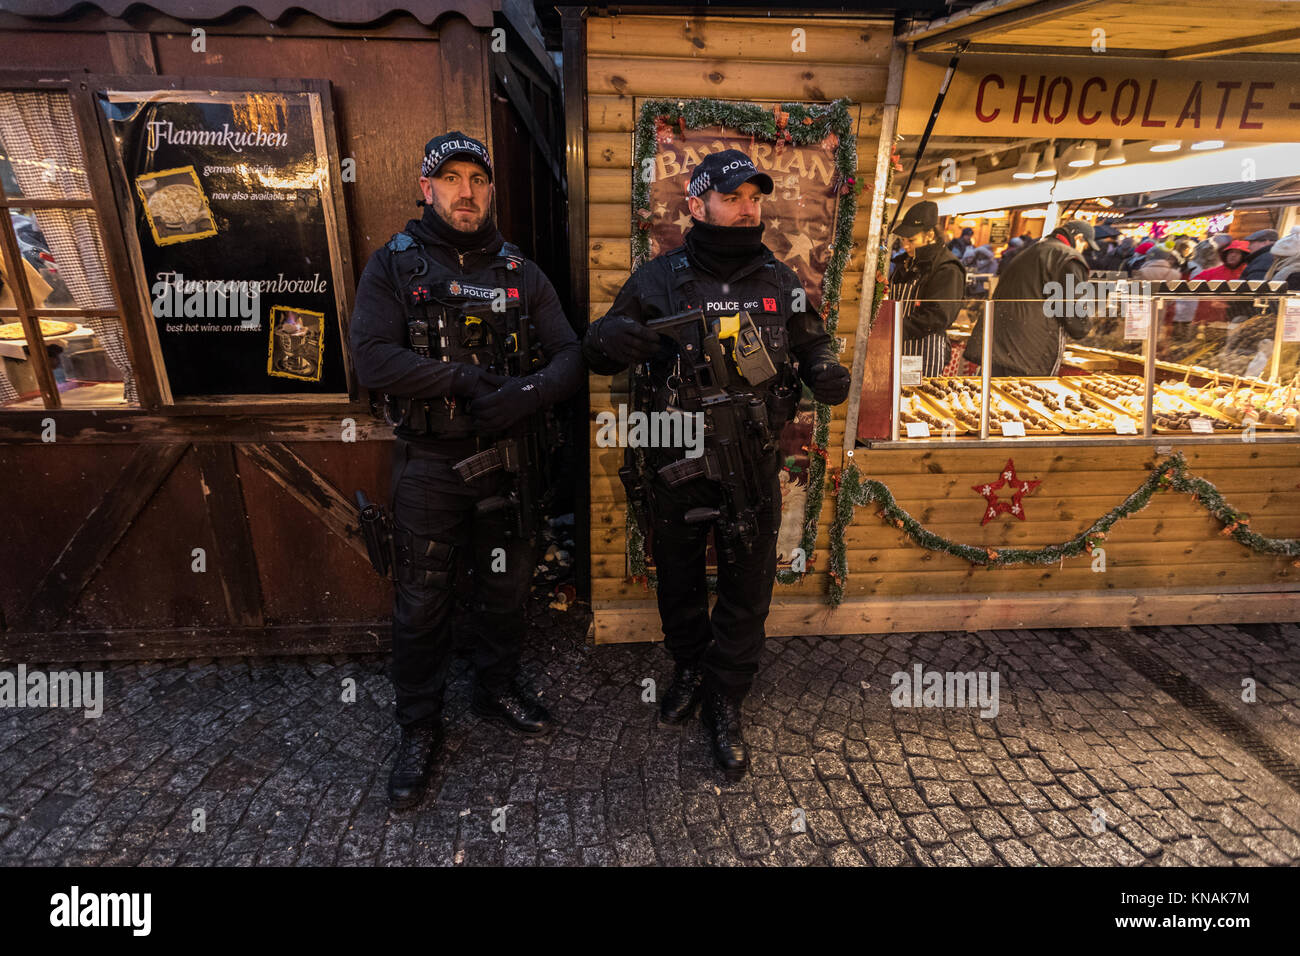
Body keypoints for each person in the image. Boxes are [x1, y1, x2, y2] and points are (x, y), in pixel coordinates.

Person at [581, 149, 851, 780]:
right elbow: (598, 349)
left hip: (752, 458)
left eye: (755, 198)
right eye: (733, 198)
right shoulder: (656, 280)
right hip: (673, 450)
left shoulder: (781, 282)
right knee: (676, 574)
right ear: (698, 205)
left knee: (746, 584)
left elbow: (811, 345)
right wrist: (607, 340)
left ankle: (726, 698)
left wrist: (825, 371)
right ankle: (689, 667)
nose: (746, 209)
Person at [349, 131, 583, 809]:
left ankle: (494, 687)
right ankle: (418, 725)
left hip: (509, 463)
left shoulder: (520, 271)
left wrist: (527, 393)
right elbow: (372, 359)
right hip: (430, 463)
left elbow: (569, 353)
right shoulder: (394, 266)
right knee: (422, 604)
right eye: (450, 178)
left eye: (477, 178)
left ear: (490, 189)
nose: (466, 190)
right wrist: (462, 378)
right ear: (427, 189)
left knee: (505, 590)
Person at [963, 220, 1095, 377]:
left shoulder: (1029, 251)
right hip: (1030, 354)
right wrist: (1085, 327)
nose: (1082, 251)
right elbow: (1074, 314)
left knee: (990, 398)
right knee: (1025, 399)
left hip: (996, 347)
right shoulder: (1068, 259)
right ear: (1078, 238)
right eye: (1084, 246)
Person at [889, 200, 966, 376]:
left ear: (930, 235)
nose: (905, 246)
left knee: (910, 399)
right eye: (902, 240)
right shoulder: (907, 263)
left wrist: (896, 329)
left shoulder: (947, 268)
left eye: (911, 240)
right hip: (898, 345)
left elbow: (938, 315)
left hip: (921, 352)